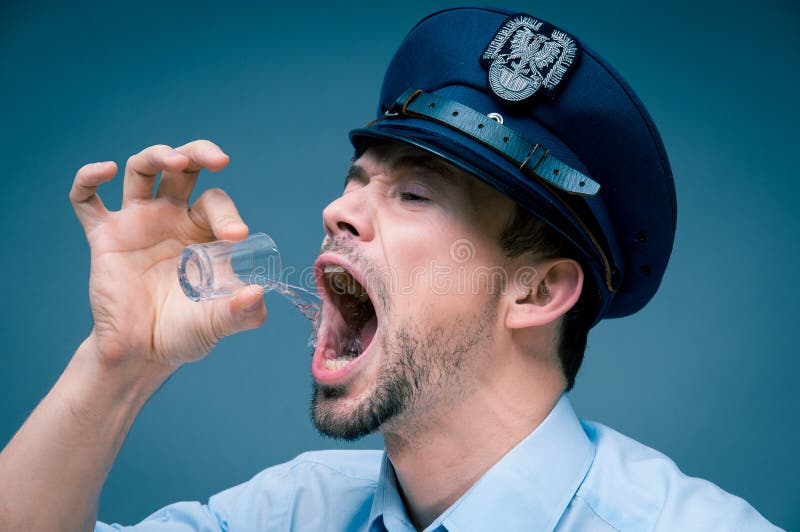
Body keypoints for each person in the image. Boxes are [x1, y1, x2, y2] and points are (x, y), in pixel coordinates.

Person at [0, 7, 780, 531]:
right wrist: (119, 362)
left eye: (411, 192)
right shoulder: (291, 511)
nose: (337, 213)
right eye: (354, 182)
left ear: (538, 290)